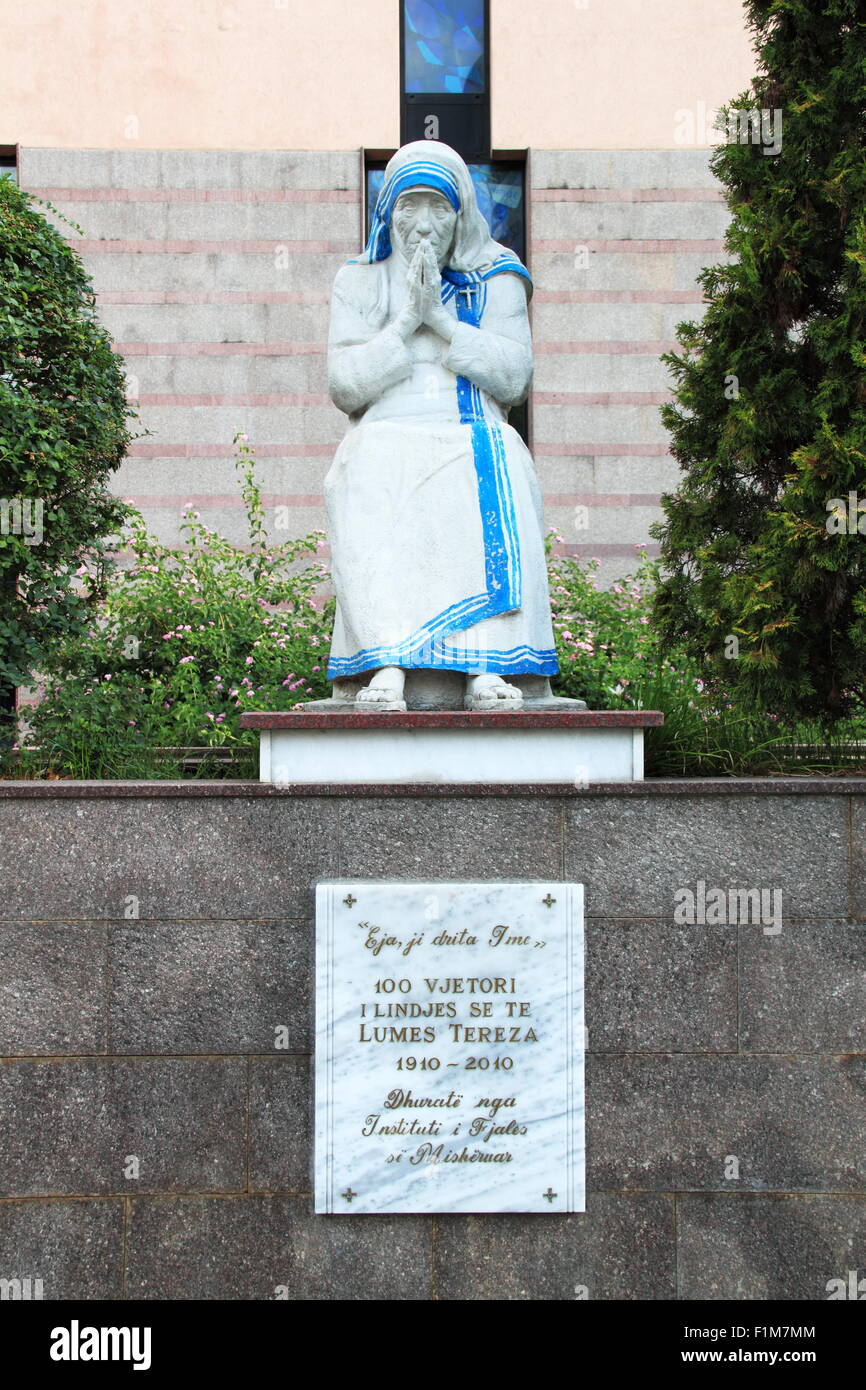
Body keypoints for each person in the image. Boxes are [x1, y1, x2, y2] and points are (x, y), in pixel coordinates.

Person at [323, 140, 565, 712]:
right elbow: (345, 384)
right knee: (366, 464)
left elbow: (512, 379)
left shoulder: (498, 277)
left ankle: (483, 665)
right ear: (388, 213)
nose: (423, 224)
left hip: (471, 426)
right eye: (409, 207)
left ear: (461, 214)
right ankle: (388, 662)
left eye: (439, 207)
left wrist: (442, 321)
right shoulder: (359, 281)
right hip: (385, 430)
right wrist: (407, 321)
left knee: (497, 452)